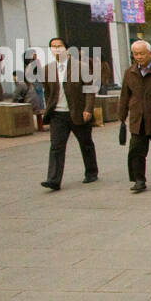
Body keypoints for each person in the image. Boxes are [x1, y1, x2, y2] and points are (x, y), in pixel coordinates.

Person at [39, 37, 97, 191]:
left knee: (86, 143)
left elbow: (90, 90)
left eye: (59, 46)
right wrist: (48, 108)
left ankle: (91, 172)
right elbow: (47, 92)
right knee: (56, 147)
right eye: (53, 46)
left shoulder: (81, 67)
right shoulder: (47, 69)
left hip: (78, 112)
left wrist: (88, 109)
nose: (56, 49)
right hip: (58, 114)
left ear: (66, 49)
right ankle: (53, 180)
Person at [118, 40, 151, 193]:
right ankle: (139, 180)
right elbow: (125, 95)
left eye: (142, 53)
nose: (139, 57)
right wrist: (122, 114)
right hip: (138, 119)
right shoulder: (130, 72)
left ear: (150, 54)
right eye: (136, 54)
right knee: (136, 151)